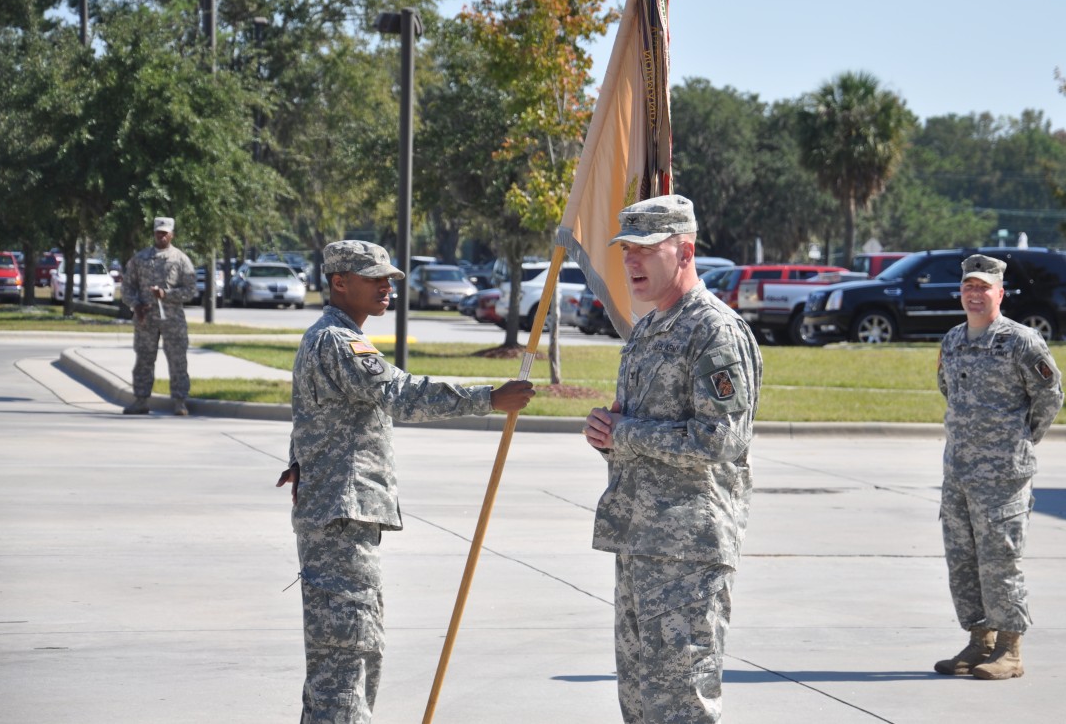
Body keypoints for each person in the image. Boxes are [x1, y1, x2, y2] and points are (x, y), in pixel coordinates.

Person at [276, 239, 534, 724]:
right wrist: (488, 398)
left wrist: (303, 461)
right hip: (342, 520)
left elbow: (314, 417)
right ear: (338, 282)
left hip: (337, 515)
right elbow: (398, 393)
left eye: (388, 278)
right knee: (349, 657)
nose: (385, 286)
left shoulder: (326, 337)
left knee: (341, 658)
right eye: (373, 278)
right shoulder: (339, 341)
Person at [583, 196, 763, 723]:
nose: (631, 263)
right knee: (640, 704)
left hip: (689, 552)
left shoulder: (714, 331)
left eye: (645, 249)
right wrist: (608, 436)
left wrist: (628, 433)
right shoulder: (648, 329)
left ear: (684, 251)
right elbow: (640, 432)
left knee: (682, 705)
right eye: (625, 251)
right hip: (641, 541)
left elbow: (720, 439)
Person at [933, 254, 1064, 681]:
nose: (975, 294)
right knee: (963, 561)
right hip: (959, 473)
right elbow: (946, 390)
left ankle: (1010, 649)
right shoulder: (952, 340)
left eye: (983, 287)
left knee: (1000, 560)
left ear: (1000, 293)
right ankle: (979, 641)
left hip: (1003, 477)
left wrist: (1021, 441)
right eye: (969, 287)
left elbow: (1049, 396)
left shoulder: (1022, 342)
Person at [120, 216, 198, 416]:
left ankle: (180, 401)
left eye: (165, 233)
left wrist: (167, 295)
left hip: (173, 320)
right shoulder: (140, 258)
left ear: (172, 234)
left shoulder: (180, 259)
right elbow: (127, 287)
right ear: (154, 233)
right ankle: (141, 400)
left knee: (177, 360)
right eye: (158, 233)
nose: (161, 237)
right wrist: (135, 305)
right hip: (146, 318)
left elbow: (191, 290)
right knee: (144, 359)